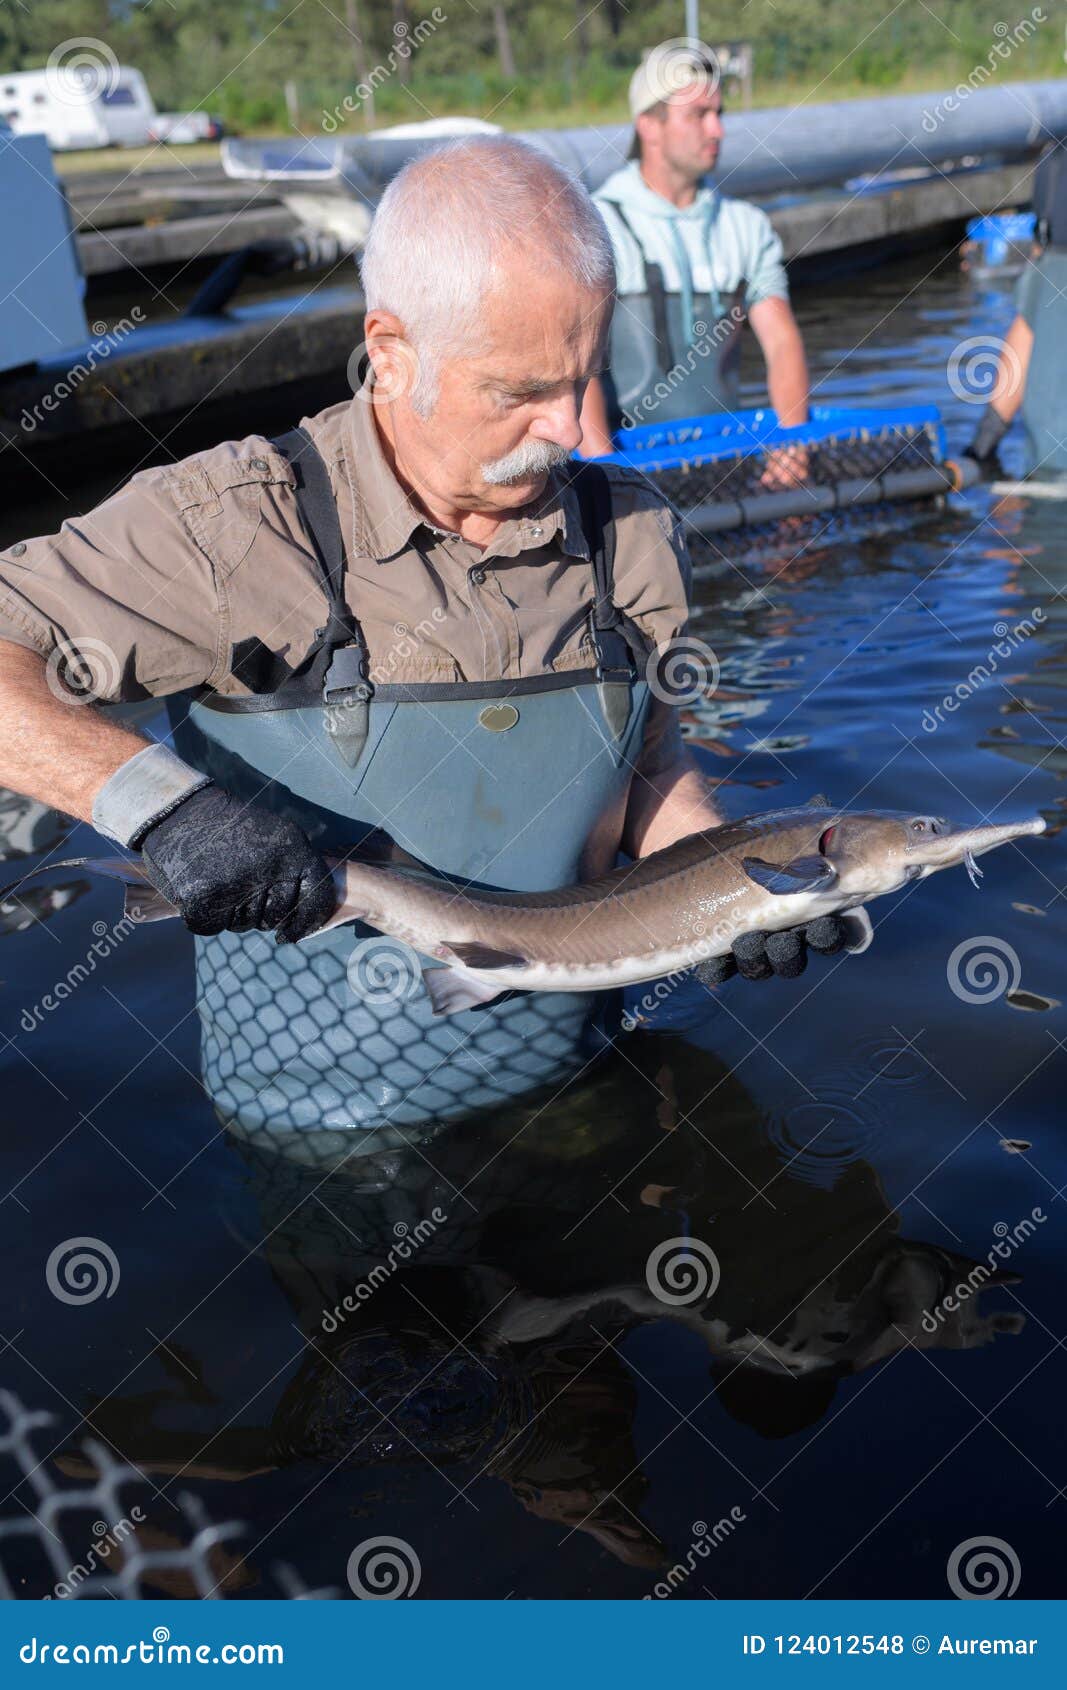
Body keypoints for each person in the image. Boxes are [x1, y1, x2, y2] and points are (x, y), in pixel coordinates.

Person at [0, 137, 846, 1148]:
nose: (572, 428)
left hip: (584, 1082)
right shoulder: (235, 526)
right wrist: (164, 811)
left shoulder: (629, 528)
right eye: (520, 392)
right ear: (391, 353)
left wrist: (727, 890)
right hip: (325, 1130)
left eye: (585, 377)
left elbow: (650, 767)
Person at [579, 39, 810, 488]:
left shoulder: (746, 226)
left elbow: (782, 342)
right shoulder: (598, 224)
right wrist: (607, 478)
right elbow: (576, 365)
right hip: (628, 466)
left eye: (718, 113)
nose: (717, 130)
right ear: (649, 126)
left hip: (725, 465)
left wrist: (792, 450)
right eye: (698, 115)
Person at [964, 144, 1067, 479]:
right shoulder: (1055, 165)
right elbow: (1027, 329)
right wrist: (983, 448)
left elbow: (1026, 329)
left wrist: (983, 446)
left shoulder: (1054, 163)